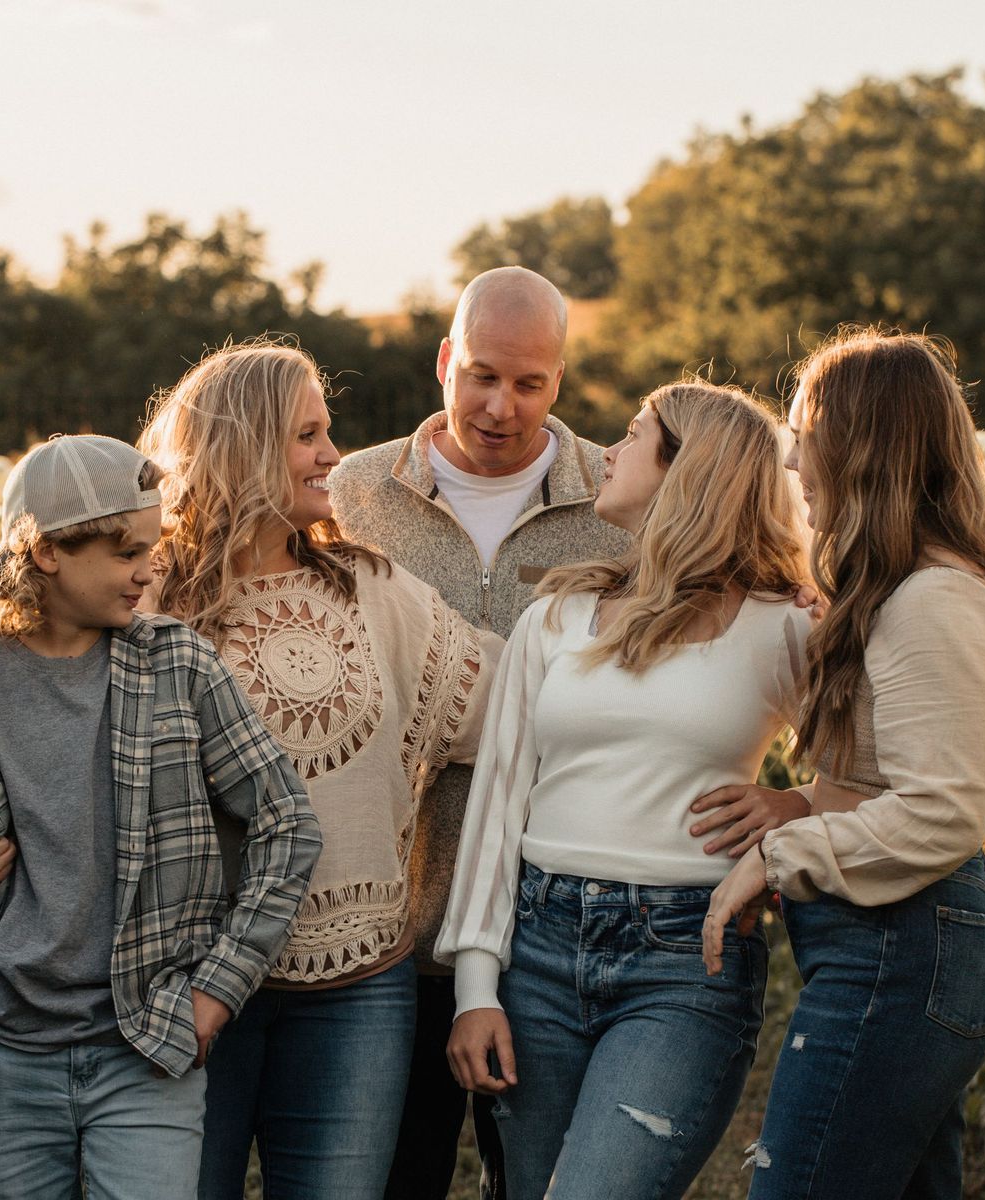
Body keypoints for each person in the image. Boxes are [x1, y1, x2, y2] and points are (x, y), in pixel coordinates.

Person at [0, 341, 503, 1198]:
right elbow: (15, 724)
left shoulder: (371, 590)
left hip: (353, 987)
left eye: (328, 433)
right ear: (243, 447)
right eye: (307, 436)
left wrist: (648, 625)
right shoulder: (137, 595)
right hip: (171, 984)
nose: (332, 456)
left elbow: (508, 705)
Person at [0, 435, 321, 1200]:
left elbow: (286, 825)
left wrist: (215, 989)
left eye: (152, 548)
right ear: (46, 553)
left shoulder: (178, 667)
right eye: (124, 551)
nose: (148, 570)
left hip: (146, 1046)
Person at [701, 328, 985, 1199]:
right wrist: (806, 806)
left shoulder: (936, 601)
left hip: (908, 950)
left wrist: (774, 860)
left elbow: (944, 811)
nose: (793, 462)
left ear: (862, 442)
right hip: (898, 944)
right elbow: (906, 779)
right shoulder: (906, 592)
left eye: (805, 433)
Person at [437, 381, 816, 1199]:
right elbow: (500, 803)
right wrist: (475, 988)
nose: (607, 449)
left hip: (687, 960)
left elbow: (879, 770)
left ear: (691, 468)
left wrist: (801, 807)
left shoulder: (784, 624)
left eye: (635, 432)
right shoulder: (559, 615)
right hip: (536, 949)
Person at [330, 266, 632, 1200]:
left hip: (547, 917)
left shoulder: (619, 509)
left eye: (530, 384)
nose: (502, 407)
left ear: (561, 382)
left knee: (536, 1179)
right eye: (482, 376)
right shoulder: (355, 494)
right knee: (395, 1174)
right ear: (444, 363)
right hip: (389, 914)